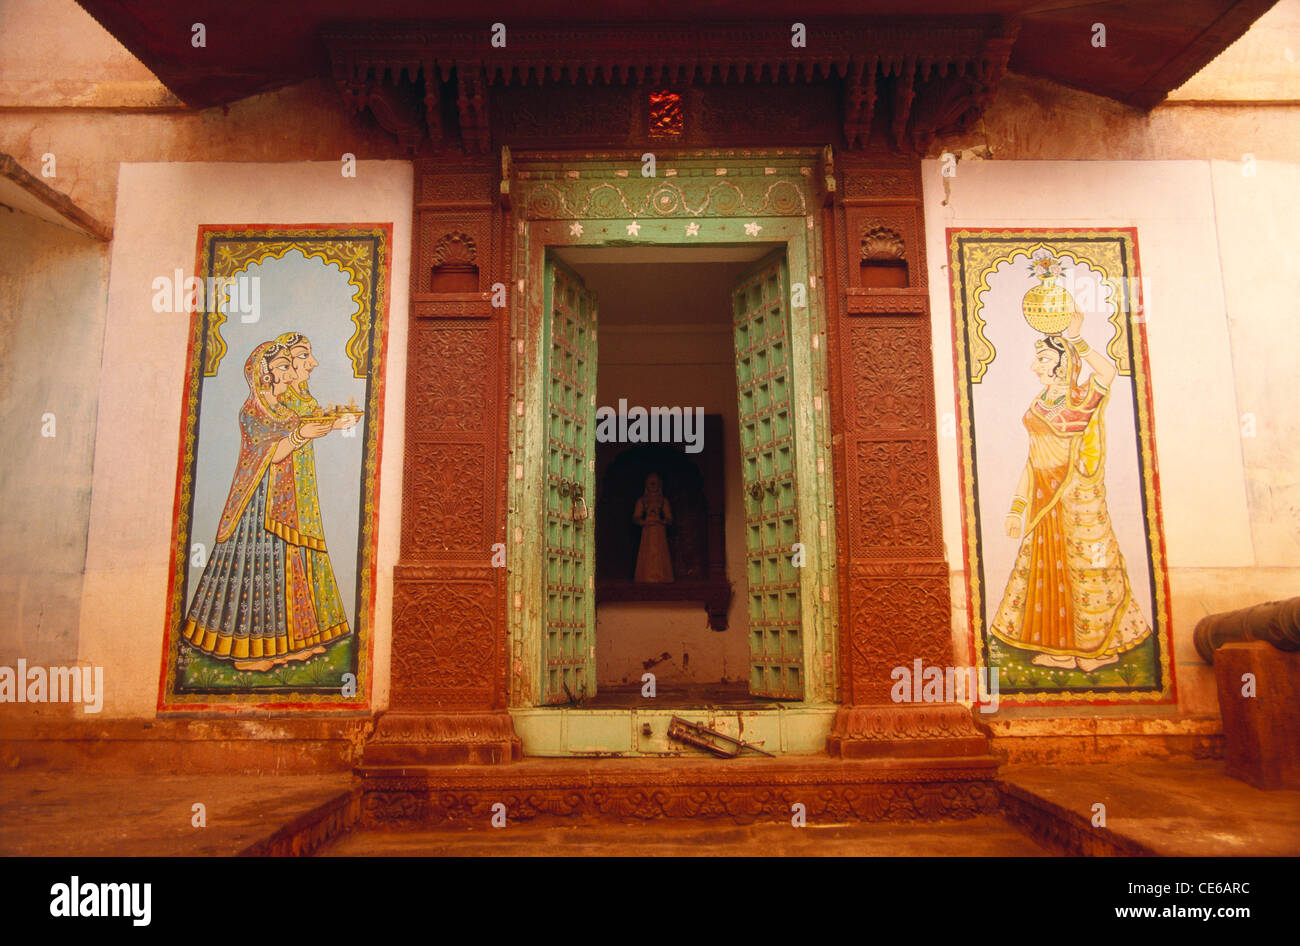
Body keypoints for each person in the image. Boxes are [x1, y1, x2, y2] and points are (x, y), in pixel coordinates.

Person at [990, 308, 1151, 672]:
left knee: (1088, 572)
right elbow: (1034, 461)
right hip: (1046, 500)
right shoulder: (1038, 406)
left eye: (1043, 358)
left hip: (1078, 499)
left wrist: (1077, 338)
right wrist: (1018, 507)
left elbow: (1108, 372)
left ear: (1064, 365)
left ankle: (1097, 651)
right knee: (1051, 572)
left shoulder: (1081, 398)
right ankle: (1062, 650)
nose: (1035, 366)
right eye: (1037, 358)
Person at [183, 339, 351, 671]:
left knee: (279, 574)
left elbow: (300, 430)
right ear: (265, 374)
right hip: (254, 505)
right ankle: (248, 656)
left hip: (280, 503)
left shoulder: (284, 410)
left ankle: (280, 649)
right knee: (253, 574)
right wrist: (304, 435)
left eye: (291, 364)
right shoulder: (252, 411)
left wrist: (332, 425)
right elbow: (271, 454)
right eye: (284, 366)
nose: (291, 371)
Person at [633, 472, 674, 582]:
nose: (653, 485)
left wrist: (660, 521)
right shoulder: (641, 501)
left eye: (655, 483)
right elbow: (636, 517)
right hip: (647, 531)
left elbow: (669, 518)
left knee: (660, 555)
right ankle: (644, 576)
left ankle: (663, 576)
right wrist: (645, 522)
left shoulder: (663, 501)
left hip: (659, 531)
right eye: (650, 483)